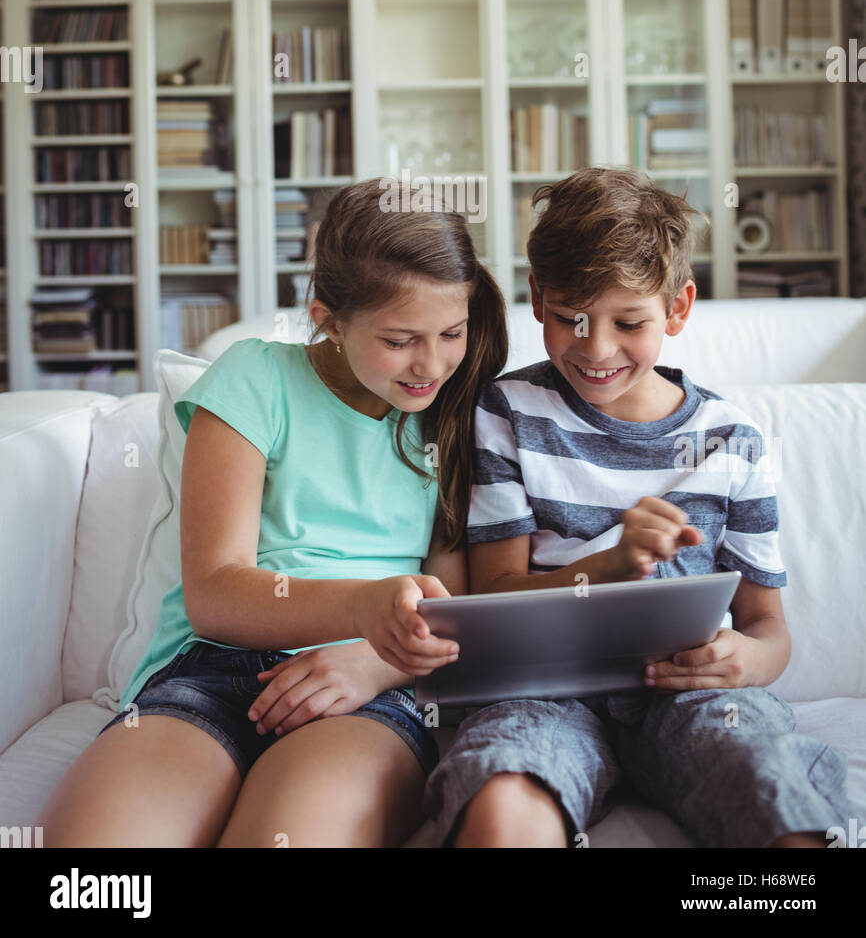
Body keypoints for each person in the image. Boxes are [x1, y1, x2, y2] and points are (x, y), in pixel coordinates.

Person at [39, 178, 506, 848]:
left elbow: (452, 611)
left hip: (369, 688)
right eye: (401, 339)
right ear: (327, 319)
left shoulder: (455, 417)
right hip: (215, 672)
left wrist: (372, 662)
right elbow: (215, 592)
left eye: (451, 333)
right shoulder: (255, 378)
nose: (431, 363)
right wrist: (363, 607)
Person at [423, 166, 854, 849]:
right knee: (505, 795)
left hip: (695, 698)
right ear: (537, 298)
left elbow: (768, 628)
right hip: (544, 695)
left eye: (629, 323)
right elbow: (494, 596)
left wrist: (743, 660)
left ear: (678, 310)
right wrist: (612, 564)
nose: (595, 349)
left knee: (769, 786)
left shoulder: (729, 441)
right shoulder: (507, 414)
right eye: (572, 318)